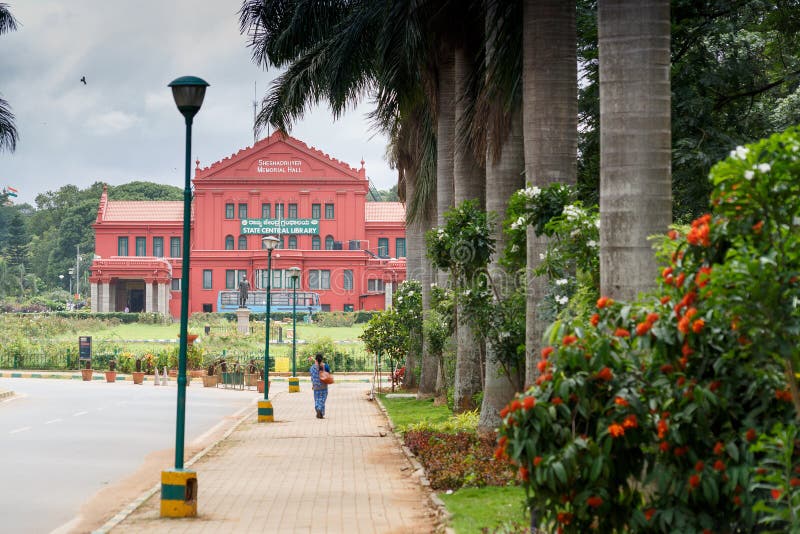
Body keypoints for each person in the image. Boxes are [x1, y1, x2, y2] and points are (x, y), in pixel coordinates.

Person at [309, 352, 330, 419]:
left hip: (316, 386)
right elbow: (328, 374)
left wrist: (313, 385)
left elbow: (312, 377)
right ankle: (320, 410)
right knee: (322, 399)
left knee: (317, 399)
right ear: (322, 359)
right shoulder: (325, 366)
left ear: (316, 359)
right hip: (324, 386)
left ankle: (318, 408)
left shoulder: (312, 367)